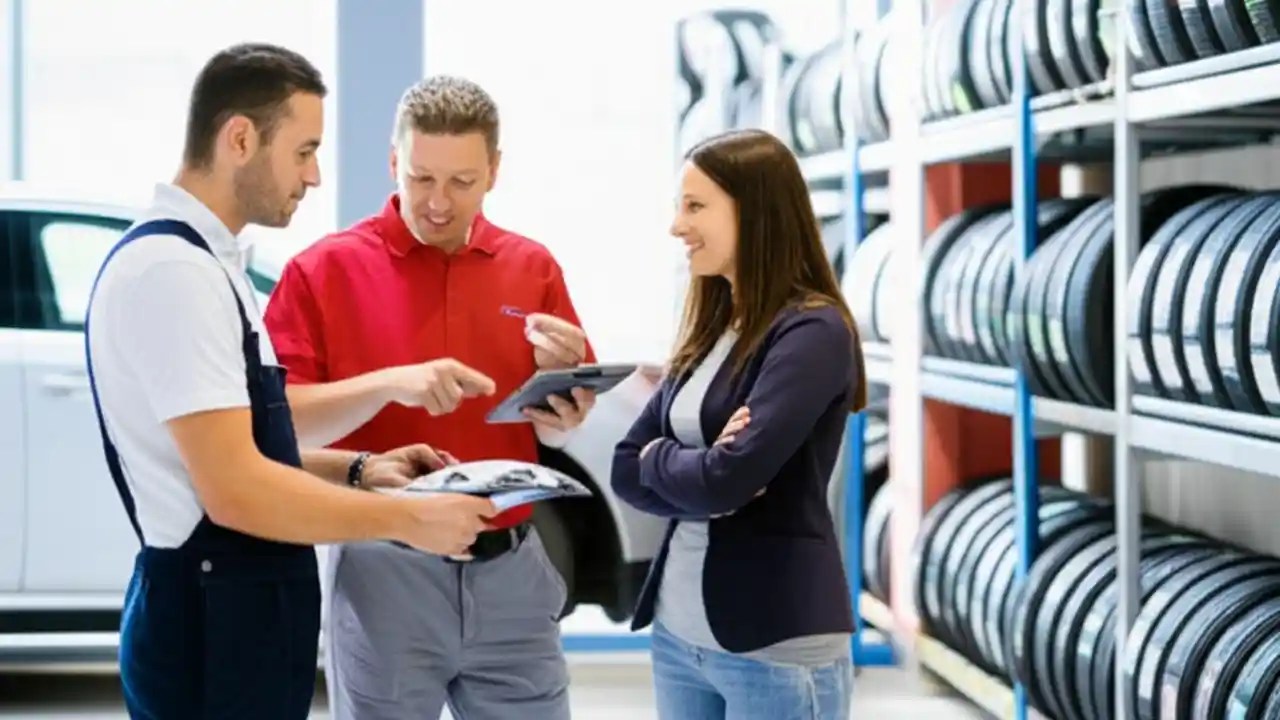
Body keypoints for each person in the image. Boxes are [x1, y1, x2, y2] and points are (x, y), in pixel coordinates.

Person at [83, 44, 499, 720]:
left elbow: (245, 445)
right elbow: (236, 490)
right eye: (304, 151)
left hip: (236, 614)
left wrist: (361, 470)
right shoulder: (173, 274)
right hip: (211, 621)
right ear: (240, 138)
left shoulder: (209, 264)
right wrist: (409, 519)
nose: (314, 175)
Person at [262, 75, 597, 719]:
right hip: (384, 571)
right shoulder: (320, 272)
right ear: (394, 161)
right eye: (420, 178)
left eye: (461, 182)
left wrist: (568, 410)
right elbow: (281, 427)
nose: (438, 202)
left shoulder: (534, 268)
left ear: (494, 172)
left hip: (512, 575)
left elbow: (555, 430)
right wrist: (394, 382)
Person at [610, 128, 866, 720]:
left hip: (773, 643)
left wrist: (668, 460)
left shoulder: (812, 332)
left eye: (695, 206)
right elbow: (628, 465)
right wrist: (675, 464)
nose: (677, 225)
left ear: (754, 212)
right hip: (678, 634)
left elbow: (730, 478)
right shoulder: (714, 324)